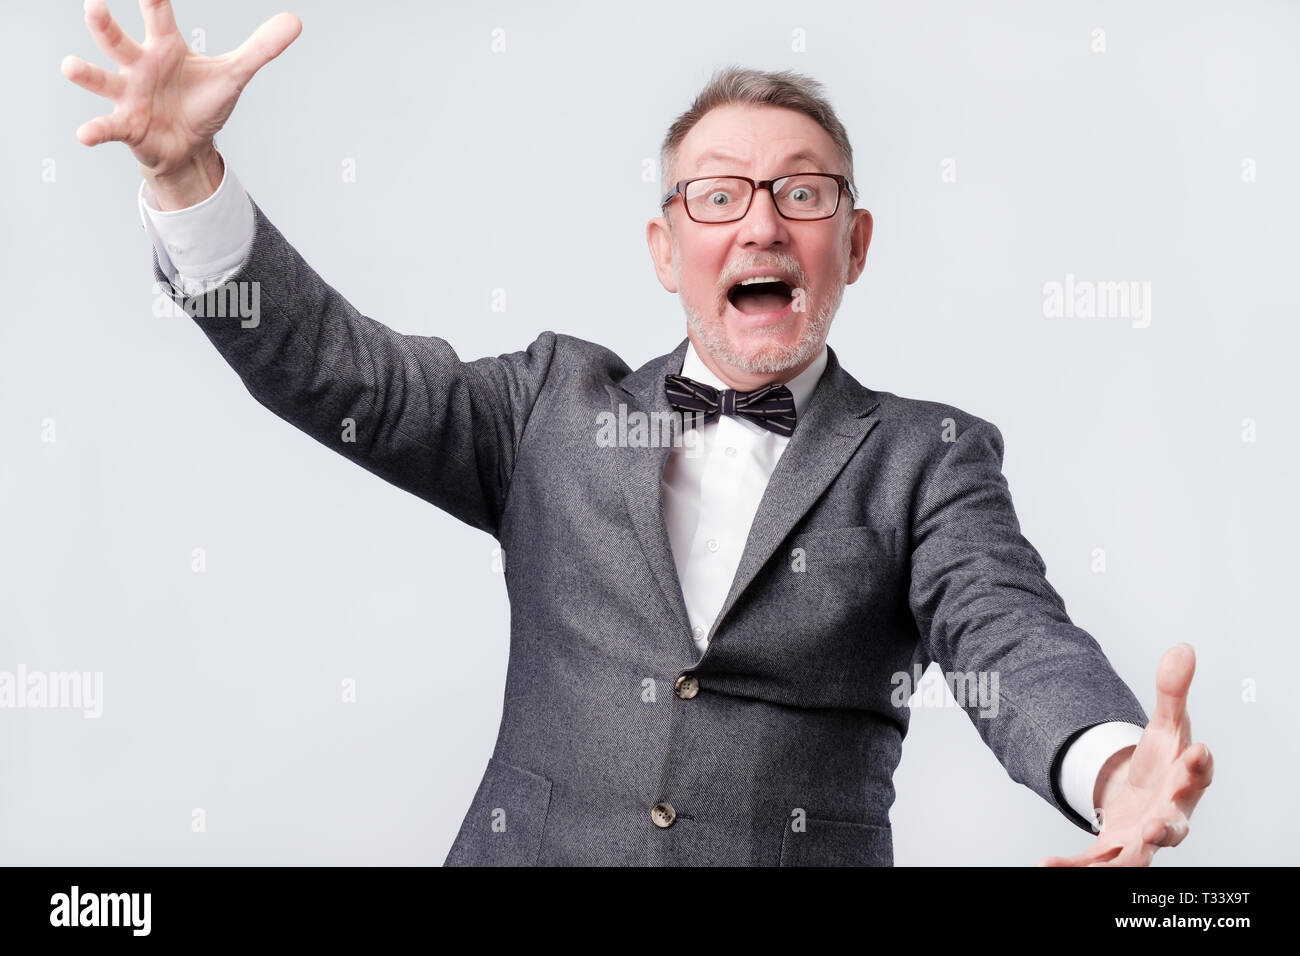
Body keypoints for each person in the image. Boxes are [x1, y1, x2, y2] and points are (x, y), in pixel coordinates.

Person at [63, 0, 1213, 866]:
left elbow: (1004, 632)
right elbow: (332, 371)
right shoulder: (546, 407)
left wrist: (1110, 762)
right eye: (717, 195)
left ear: (853, 244)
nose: (760, 221)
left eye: (801, 194)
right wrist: (189, 180)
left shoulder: (930, 458)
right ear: (666, 250)